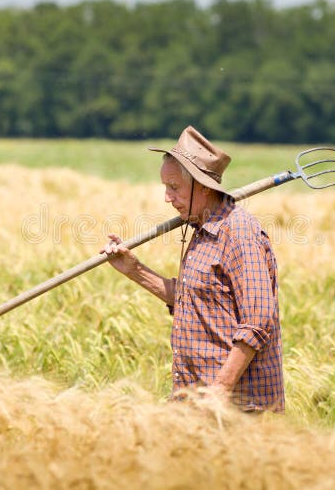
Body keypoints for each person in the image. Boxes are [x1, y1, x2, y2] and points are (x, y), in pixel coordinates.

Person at [100, 126, 284, 413]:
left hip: (234, 406)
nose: (167, 197)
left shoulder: (238, 232)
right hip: (194, 398)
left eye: (174, 187)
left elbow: (258, 321)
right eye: (165, 187)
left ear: (204, 186)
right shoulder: (201, 229)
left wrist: (221, 388)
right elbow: (190, 300)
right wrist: (134, 269)